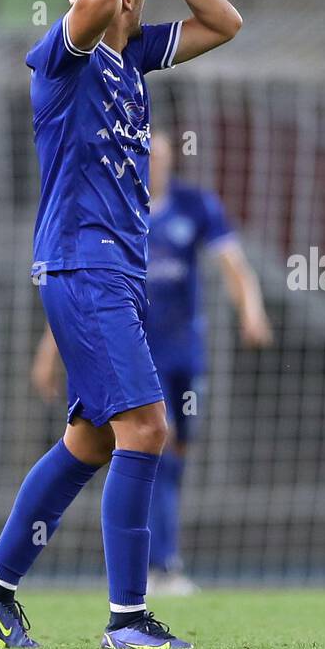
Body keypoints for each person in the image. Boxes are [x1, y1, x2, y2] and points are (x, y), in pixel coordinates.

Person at [0, 0, 242, 649]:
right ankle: (128, 619)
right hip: (84, 268)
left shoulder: (133, 56)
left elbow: (225, 22)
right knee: (147, 430)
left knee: (88, 443)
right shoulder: (65, 57)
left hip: (112, 273)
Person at [32, 130, 272, 594]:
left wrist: (252, 310)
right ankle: (159, 567)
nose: (152, 164)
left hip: (183, 353)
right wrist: (49, 352)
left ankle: (156, 562)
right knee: (146, 449)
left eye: (159, 156)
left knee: (172, 456)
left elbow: (234, 265)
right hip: (132, 353)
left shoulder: (194, 206)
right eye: (145, 156)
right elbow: (82, 289)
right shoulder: (116, 209)